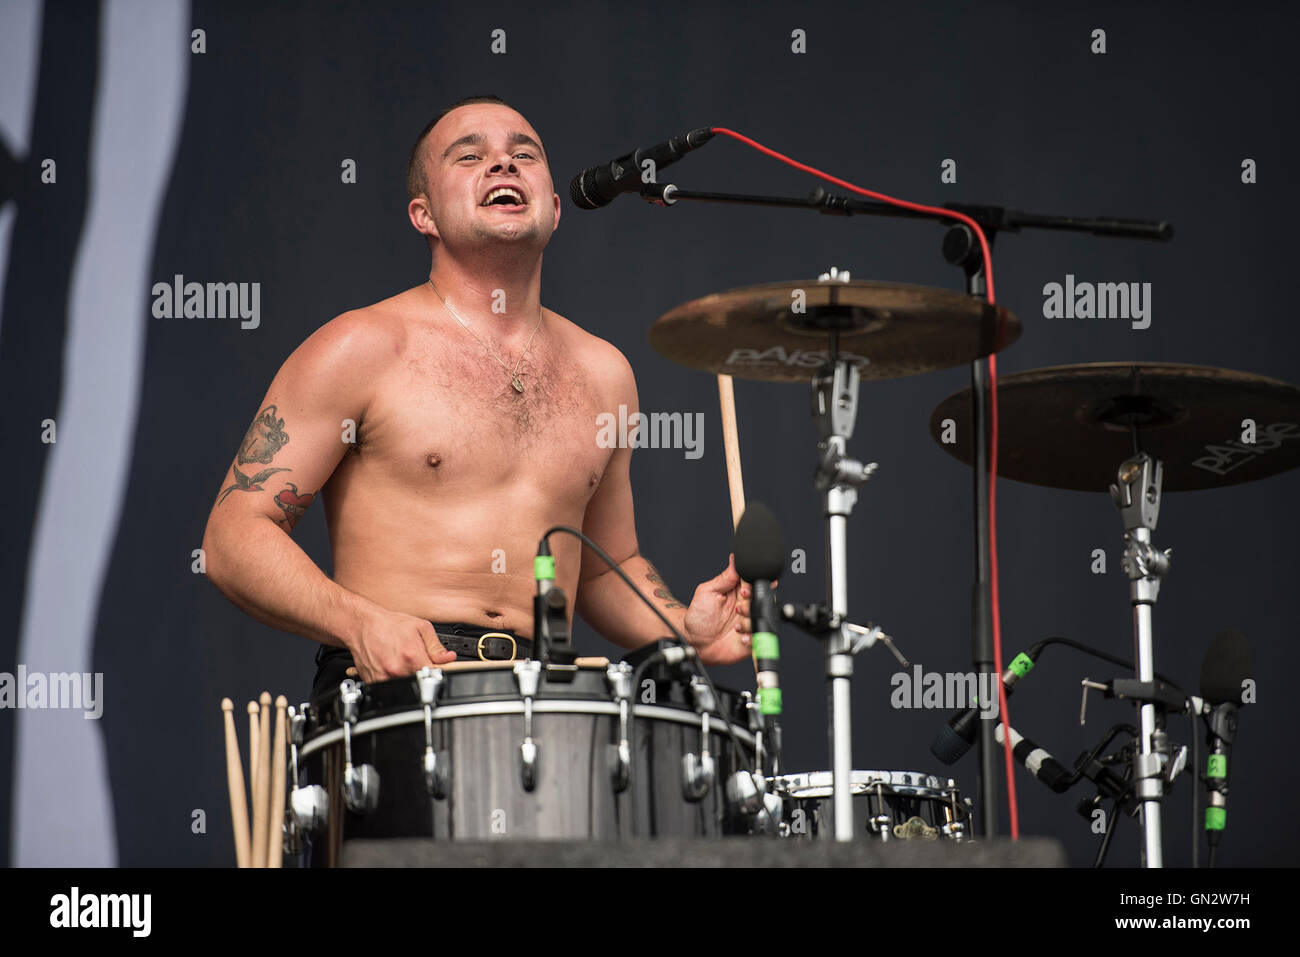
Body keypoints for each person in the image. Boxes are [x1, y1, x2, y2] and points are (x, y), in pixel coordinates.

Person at [201, 95, 755, 700]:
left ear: (554, 208)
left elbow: (600, 566)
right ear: (424, 214)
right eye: (471, 157)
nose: (503, 165)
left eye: (524, 154)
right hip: (395, 691)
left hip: (549, 697)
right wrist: (357, 622)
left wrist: (685, 629)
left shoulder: (605, 373)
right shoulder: (360, 346)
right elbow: (233, 535)